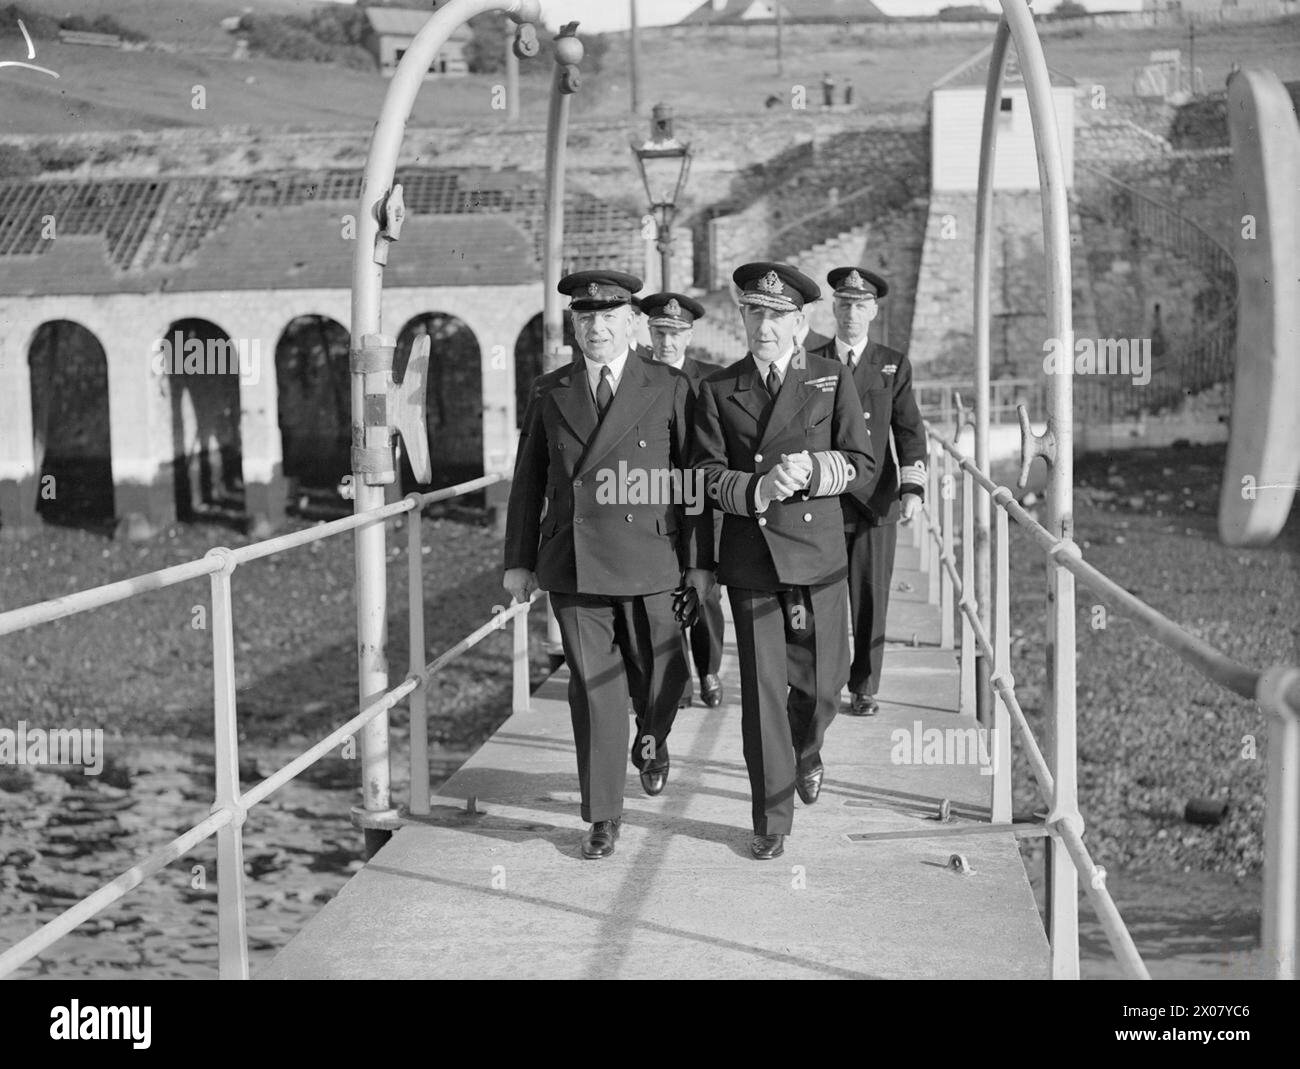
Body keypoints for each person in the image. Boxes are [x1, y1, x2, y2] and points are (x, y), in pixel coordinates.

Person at [504, 269, 710, 860]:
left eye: (608, 316)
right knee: (593, 688)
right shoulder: (550, 390)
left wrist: (699, 564)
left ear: (632, 322)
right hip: (574, 561)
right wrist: (519, 559)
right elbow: (529, 480)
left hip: (653, 556)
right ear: (575, 324)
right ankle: (602, 814)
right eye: (585, 317)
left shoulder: (668, 385)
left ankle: (654, 737)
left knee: (662, 674)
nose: (597, 327)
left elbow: (694, 480)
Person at [687, 262, 875, 860]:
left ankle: (809, 749)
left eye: (777, 316)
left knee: (822, 686)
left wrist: (816, 473)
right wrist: (757, 491)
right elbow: (703, 475)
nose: (764, 327)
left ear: (801, 322)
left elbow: (863, 464)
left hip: (819, 556)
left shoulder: (829, 378)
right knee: (764, 691)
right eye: (754, 313)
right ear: (742, 316)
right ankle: (771, 818)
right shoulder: (718, 389)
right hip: (752, 557)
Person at [806, 267, 926, 716]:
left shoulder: (892, 364)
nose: (851, 314)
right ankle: (826, 680)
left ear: (873, 311)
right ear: (832, 309)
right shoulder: (811, 361)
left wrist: (912, 488)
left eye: (860, 306)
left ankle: (865, 685)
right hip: (825, 499)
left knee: (871, 596)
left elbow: (909, 431)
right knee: (823, 595)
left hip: (876, 499)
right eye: (844, 304)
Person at [638, 291, 725, 710]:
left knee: (703, 590)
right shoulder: (635, 375)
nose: (666, 342)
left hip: (700, 494)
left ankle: (708, 669)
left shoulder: (710, 379)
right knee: (664, 594)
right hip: (655, 496)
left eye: (675, 333)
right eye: (659, 332)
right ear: (648, 331)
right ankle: (681, 679)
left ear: (689, 335)